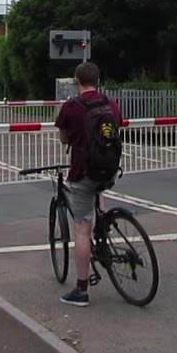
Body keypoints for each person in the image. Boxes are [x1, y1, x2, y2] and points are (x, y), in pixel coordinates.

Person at [53, 61, 123, 307]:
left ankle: (81, 289)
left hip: (83, 169)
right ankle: (103, 222)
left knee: (82, 228)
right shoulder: (110, 104)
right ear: (99, 81)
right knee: (99, 187)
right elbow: (117, 126)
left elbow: (63, 138)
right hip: (110, 167)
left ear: (76, 81)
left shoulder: (71, 106)